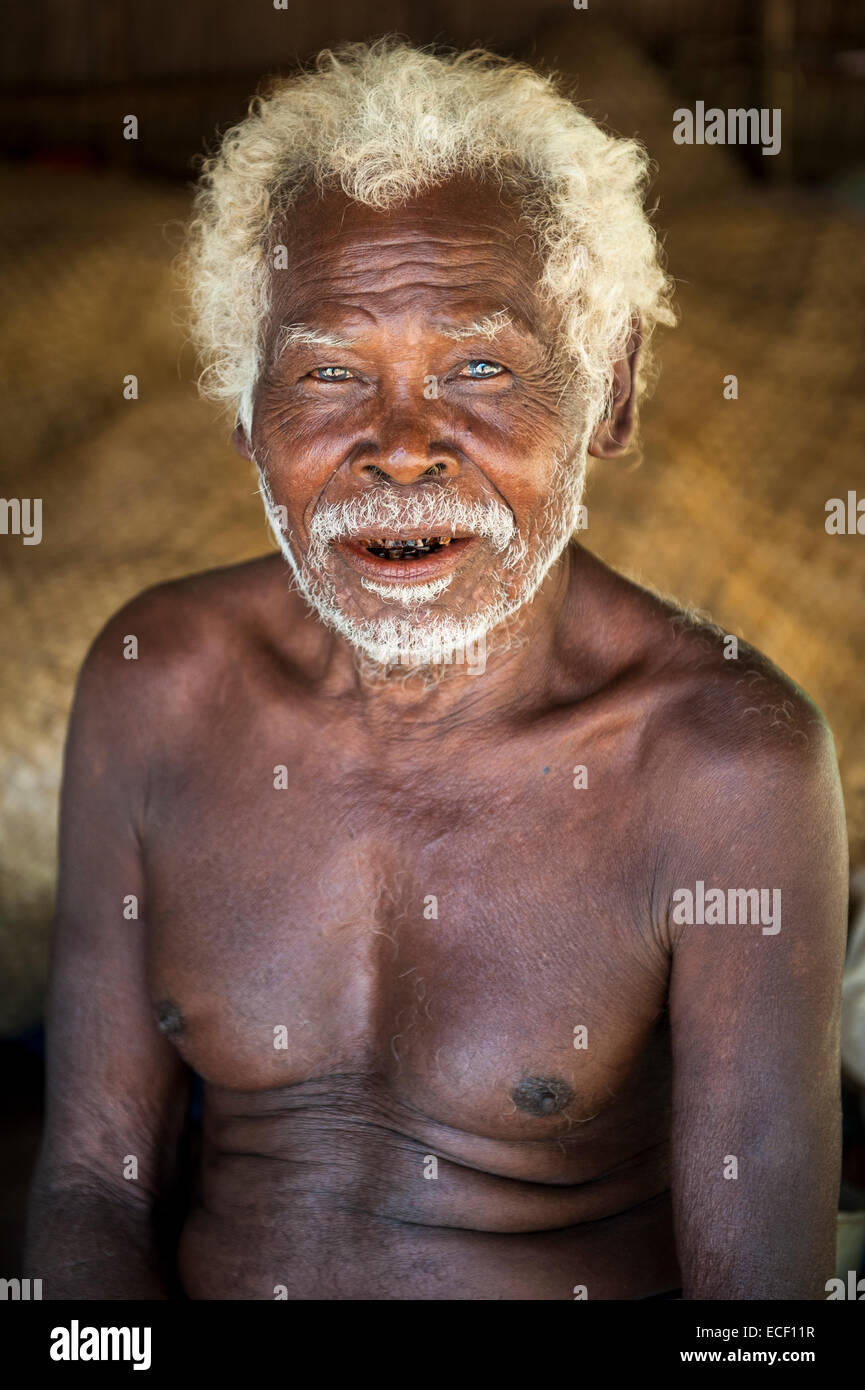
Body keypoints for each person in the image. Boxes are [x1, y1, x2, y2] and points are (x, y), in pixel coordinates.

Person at [25, 40, 847, 1300]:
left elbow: (755, 1321)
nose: (400, 448)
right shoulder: (155, 683)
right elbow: (89, 1185)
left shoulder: (725, 760)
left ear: (610, 397)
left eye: (480, 368)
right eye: (329, 372)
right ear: (247, 415)